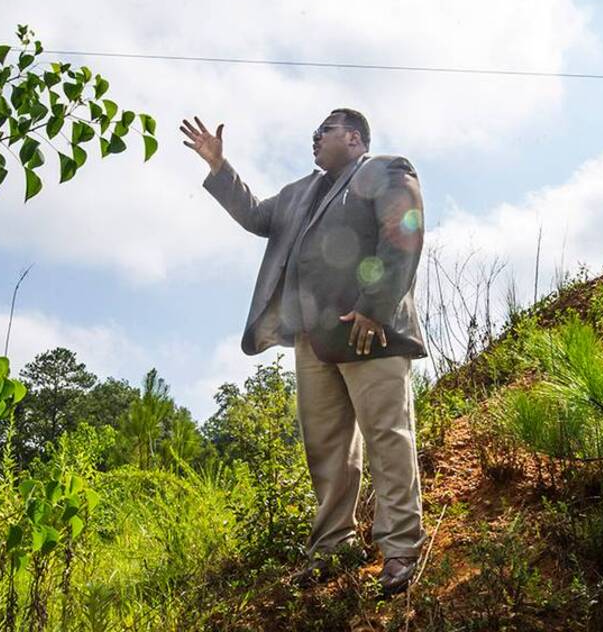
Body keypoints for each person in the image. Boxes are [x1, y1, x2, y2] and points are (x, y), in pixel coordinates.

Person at [181, 108, 428, 598]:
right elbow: (255, 215)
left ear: (354, 137)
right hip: (313, 341)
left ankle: (400, 547)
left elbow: (403, 232)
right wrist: (218, 167)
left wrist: (374, 308)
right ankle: (333, 547)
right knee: (326, 448)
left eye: (325, 131)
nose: (315, 138)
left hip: (368, 330)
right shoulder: (299, 194)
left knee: (386, 435)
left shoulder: (385, 169)